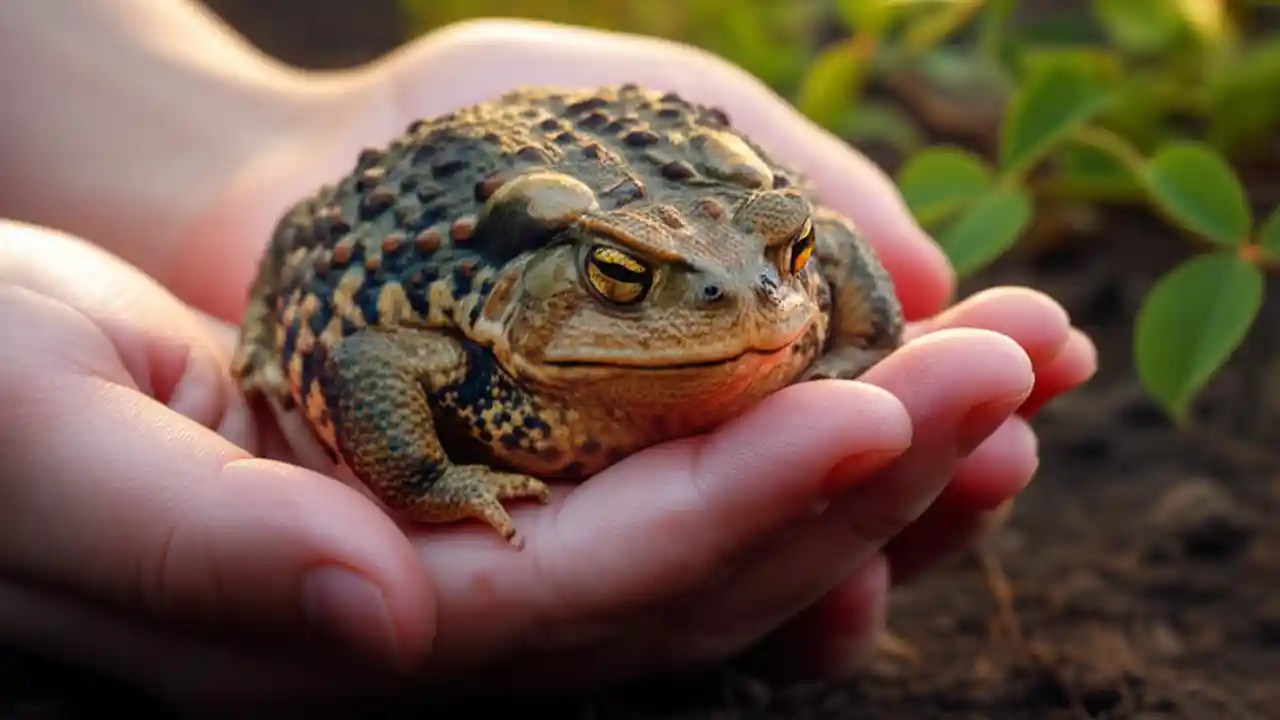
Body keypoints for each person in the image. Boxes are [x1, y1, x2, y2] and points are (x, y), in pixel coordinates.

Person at [0, 1, 1095, 714]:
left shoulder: (765, 267)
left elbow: (831, 254)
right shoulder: (487, 368)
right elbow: (375, 357)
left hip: (654, 179)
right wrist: (433, 480)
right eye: (626, 282)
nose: (754, 299)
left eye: (786, 258)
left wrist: (856, 343)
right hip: (458, 218)